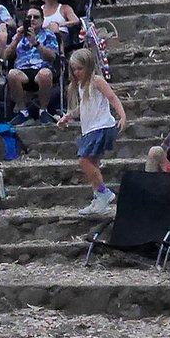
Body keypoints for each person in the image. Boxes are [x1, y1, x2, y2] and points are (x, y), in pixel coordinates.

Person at [59, 48, 126, 216]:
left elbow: (112, 97)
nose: (76, 72)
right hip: (90, 129)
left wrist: (122, 115)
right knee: (92, 164)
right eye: (74, 69)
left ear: (88, 66)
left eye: (80, 69)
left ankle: (104, 193)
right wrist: (68, 116)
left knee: (84, 161)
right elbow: (84, 107)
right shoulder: (81, 87)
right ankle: (98, 197)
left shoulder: (97, 81)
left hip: (101, 127)